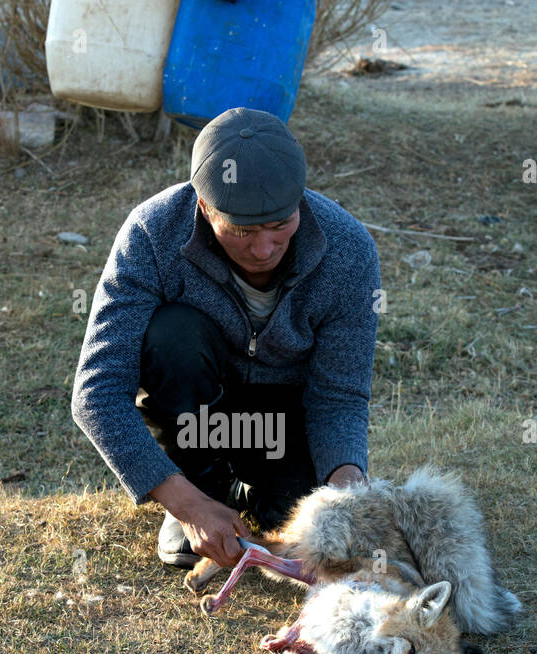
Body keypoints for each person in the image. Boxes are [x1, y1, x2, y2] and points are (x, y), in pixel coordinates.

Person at [71, 107, 382, 570]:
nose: (263, 249)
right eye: (240, 230)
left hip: (282, 420)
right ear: (203, 207)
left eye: (280, 225)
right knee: (173, 334)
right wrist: (187, 504)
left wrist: (344, 483)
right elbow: (96, 394)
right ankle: (206, 491)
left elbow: (338, 395)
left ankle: (259, 489)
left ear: (300, 201)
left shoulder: (349, 251)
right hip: (194, 409)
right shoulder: (152, 233)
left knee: (300, 525)